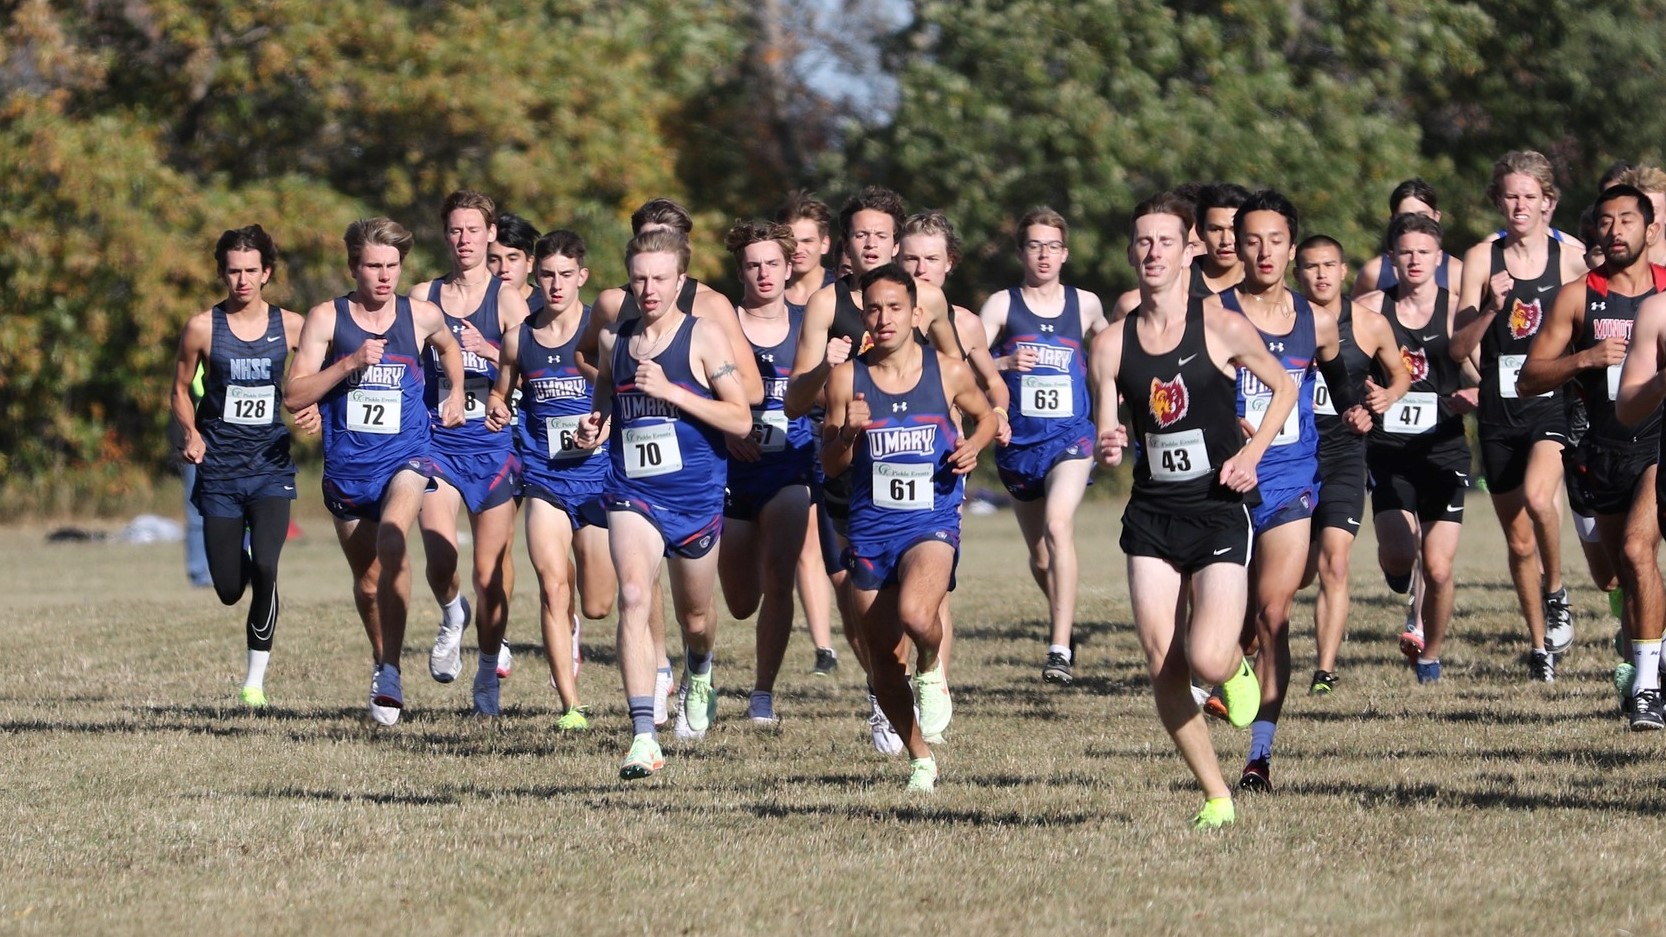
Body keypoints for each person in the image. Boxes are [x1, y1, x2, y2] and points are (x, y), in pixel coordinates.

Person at [1090, 191, 1288, 829]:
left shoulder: (1221, 324)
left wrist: (1254, 452)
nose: (1153, 252)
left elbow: (1283, 386)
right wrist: (1109, 444)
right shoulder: (1111, 344)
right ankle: (1217, 795)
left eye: (1166, 241)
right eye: (1143, 242)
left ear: (1190, 250)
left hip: (1219, 507)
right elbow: (1109, 434)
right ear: (1131, 253)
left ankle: (1232, 669)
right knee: (1162, 662)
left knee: (1206, 657)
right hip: (1152, 514)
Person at [784, 185, 969, 755]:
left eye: (881, 235)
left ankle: (933, 678)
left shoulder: (924, 298)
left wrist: (967, 428)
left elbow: (952, 366)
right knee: (854, 592)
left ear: (896, 239)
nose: (870, 244)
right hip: (851, 465)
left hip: (921, 463)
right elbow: (794, 402)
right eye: (860, 234)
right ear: (846, 242)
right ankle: (882, 689)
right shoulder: (825, 302)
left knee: (927, 587)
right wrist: (828, 371)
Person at [579, 228, 753, 779]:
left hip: (696, 496)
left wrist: (675, 391)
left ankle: (699, 670)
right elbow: (607, 389)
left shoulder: (703, 338)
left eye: (660, 278)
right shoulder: (616, 339)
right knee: (633, 593)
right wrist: (596, 423)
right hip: (633, 491)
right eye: (639, 279)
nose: (649, 289)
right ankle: (643, 737)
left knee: (695, 616)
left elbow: (741, 418)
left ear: (681, 280)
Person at [823, 264, 997, 791]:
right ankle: (920, 757)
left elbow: (985, 415)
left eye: (895, 307)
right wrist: (848, 434)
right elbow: (831, 465)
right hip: (871, 527)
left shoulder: (946, 369)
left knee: (917, 615)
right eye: (873, 308)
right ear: (863, 317)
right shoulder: (845, 379)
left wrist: (973, 445)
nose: (884, 317)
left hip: (931, 520)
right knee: (880, 659)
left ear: (916, 313)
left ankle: (930, 667)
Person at [285, 217, 466, 725]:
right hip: (348, 466)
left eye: (392, 266)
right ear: (353, 267)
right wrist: (347, 365)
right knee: (368, 583)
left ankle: (390, 671)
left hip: (407, 456)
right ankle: (382, 658)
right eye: (373, 266)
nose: (385, 277)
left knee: (393, 541)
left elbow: (450, 349)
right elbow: (294, 395)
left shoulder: (422, 315)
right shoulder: (327, 318)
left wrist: (453, 392)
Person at [1207, 191, 1357, 792]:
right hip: (1224, 483)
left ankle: (1259, 756)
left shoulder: (1312, 319)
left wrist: (1358, 412)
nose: (1264, 251)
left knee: (1275, 612)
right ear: (1235, 247)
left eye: (1276, 240)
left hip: (1291, 481)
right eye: (1252, 240)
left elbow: (1339, 379)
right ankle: (1226, 671)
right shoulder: (1212, 314)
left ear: (1292, 249)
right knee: (1224, 632)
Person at [1527, 186, 1666, 716]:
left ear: (1650, 230)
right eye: (1605, 222)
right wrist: (1583, 358)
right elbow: (1530, 378)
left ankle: (1647, 691)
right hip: (1602, 449)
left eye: (1626, 220)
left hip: (1658, 443)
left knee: (1636, 549)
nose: (1614, 231)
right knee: (1621, 576)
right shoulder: (1577, 296)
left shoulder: (1665, 293)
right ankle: (1651, 664)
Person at [171, 225, 319, 708]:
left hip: (271, 464)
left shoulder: (293, 325)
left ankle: (254, 682)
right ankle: (252, 583)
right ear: (222, 274)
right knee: (231, 588)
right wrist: (191, 433)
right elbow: (178, 390)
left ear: (267, 273)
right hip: (219, 471)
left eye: (251, 271)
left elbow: (323, 372)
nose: (242, 281)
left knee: (269, 565)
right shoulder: (201, 327)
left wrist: (315, 407)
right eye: (233, 272)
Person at [1452, 151, 1587, 678]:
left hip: (1551, 402)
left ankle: (1556, 591)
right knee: (1517, 538)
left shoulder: (1571, 259)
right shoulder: (1481, 259)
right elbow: (1457, 344)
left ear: (1548, 202)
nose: (1520, 205)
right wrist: (1489, 307)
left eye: (1530, 196)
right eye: (1511, 195)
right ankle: (1540, 647)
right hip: (1497, 410)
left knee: (1539, 497)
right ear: (1498, 200)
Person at [410, 191, 532, 715]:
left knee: (489, 573)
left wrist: (492, 354)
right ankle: (450, 612)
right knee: (440, 556)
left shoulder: (507, 300)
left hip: (494, 447)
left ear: (489, 236)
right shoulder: (423, 295)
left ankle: (487, 672)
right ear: (447, 235)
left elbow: (537, 362)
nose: (464, 240)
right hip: (437, 443)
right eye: (455, 231)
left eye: (473, 231)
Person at [486, 230, 612, 732]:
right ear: (534, 279)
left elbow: (627, 401)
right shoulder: (520, 337)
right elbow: (502, 392)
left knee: (600, 603)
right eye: (547, 276)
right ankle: (571, 705)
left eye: (566, 275)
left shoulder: (601, 335)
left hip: (600, 478)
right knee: (552, 586)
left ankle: (581, 619)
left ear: (582, 276)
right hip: (544, 477)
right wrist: (497, 408)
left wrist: (599, 431)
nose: (556, 285)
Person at [980, 207, 1106, 683]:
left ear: (1066, 253)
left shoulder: (1086, 304)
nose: (1044, 254)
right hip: (1019, 446)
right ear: (1021, 253)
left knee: (1058, 525)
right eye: (1035, 245)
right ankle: (1064, 622)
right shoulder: (1001, 306)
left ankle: (1058, 649)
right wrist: (1005, 362)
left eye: (1053, 245)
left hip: (1071, 437)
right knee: (1040, 556)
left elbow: (1114, 351)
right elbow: (968, 363)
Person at [1361, 212, 1476, 683]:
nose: (1414, 260)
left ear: (1440, 258)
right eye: (1405, 252)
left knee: (1440, 565)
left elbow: (1482, 371)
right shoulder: (1370, 307)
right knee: (1398, 555)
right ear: (1391, 258)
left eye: (1424, 252)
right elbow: (1344, 364)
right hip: (1388, 452)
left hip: (1444, 448)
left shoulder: (1456, 310)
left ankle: (1429, 651)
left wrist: (1476, 395)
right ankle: (1401, 582)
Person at [1293, 234, 1410, 694]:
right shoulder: (1283, 323)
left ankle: (1324, 670)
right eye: (1310, 266)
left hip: (1344, 453)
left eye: (1329, 265)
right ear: (1296, 273)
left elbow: (1399, 373)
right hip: (1293, 456)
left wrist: (1386, 396)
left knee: (1335, 563)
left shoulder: (1370, 323)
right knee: (1295, 573)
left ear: (1343, 271)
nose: (1320, 274)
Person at [899, 208, 1011, 679]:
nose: (920, 268)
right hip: (881, 464)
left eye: (931, 259)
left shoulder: (964, 324)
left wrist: (998, 415)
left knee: (934, 585)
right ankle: (893, 685)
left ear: (950, 264)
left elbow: (993, 383)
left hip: (943, 464)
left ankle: (933, 685)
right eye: (910, 259)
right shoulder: (879, 320)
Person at [717, 220, 818, 725]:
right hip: (730, 471)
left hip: (791, 466)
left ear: (788, 267)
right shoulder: (719, 325)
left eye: (772, 264)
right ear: (741, 270)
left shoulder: (809, 323)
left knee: (781, 575)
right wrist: (731, 429)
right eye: (753, 265)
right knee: (739, 602)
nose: (763, 274)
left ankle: (762, 694)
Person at [778, 191, 841, 675]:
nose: (796, 250)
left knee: (840, 545)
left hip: (836, 425)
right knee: (804, 542)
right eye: (789, 240)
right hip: (787, 429)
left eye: (805, 240)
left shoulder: (841, 297)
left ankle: (857, 626)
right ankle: (824, 646)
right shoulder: (767, 296)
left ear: (824, 245)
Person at [1350, 179, 1464, 297]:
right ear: (1393, 219)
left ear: (1436, 217)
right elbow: (1355, 312)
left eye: (1423, 216)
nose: (1414, 222)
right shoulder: (1375, 272)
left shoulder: (1456, 272)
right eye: (1405, 216)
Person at [1191, 182, 1249, 297]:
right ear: (1200, 231)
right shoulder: (1177, 283)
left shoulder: (1264, 285)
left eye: (1234, 229)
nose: (1226, 241)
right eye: (1216, 229)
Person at [488, 212, 543, 313]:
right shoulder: (474, 305)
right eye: (494, 260)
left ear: (529, 263)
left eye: (512, 259)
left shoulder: (547, 308)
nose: (503, 268)